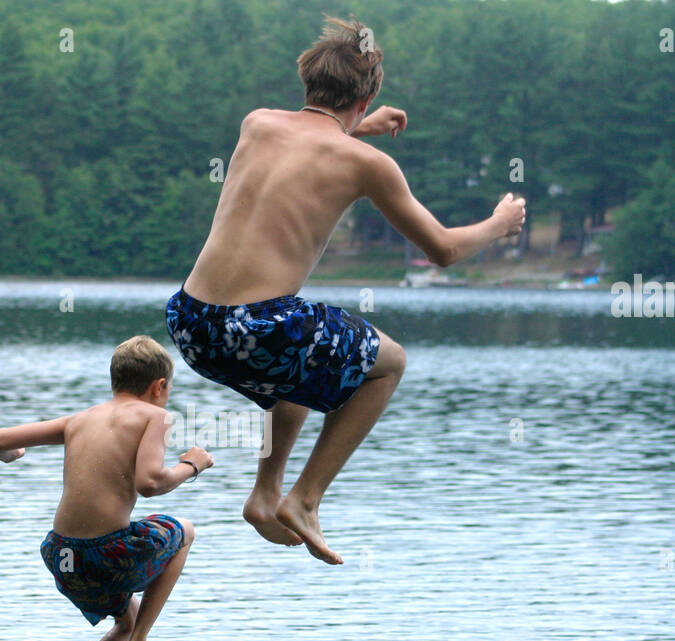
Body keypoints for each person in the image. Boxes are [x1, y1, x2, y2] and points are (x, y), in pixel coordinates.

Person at [166, 13, 526, 565]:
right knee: (388, 362)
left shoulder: (256, 123)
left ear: (309, 82)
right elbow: (443, 250)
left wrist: (358, 124)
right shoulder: (366, 164)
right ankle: (303, 499)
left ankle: (266, 494)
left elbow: (309, 143)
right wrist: (499, 225)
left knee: (303, 361)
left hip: (190, 322)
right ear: (365, 97)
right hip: (257, 327)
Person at [0, 335, 213, 641]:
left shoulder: (81, 419)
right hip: (105, 552)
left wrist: (10, 452)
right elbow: (150, 482)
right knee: (185, 531)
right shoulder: (156, 416)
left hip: (61, 553)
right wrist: (193, 465)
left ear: (115, 380)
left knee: (123, 615)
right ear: (159, 385)